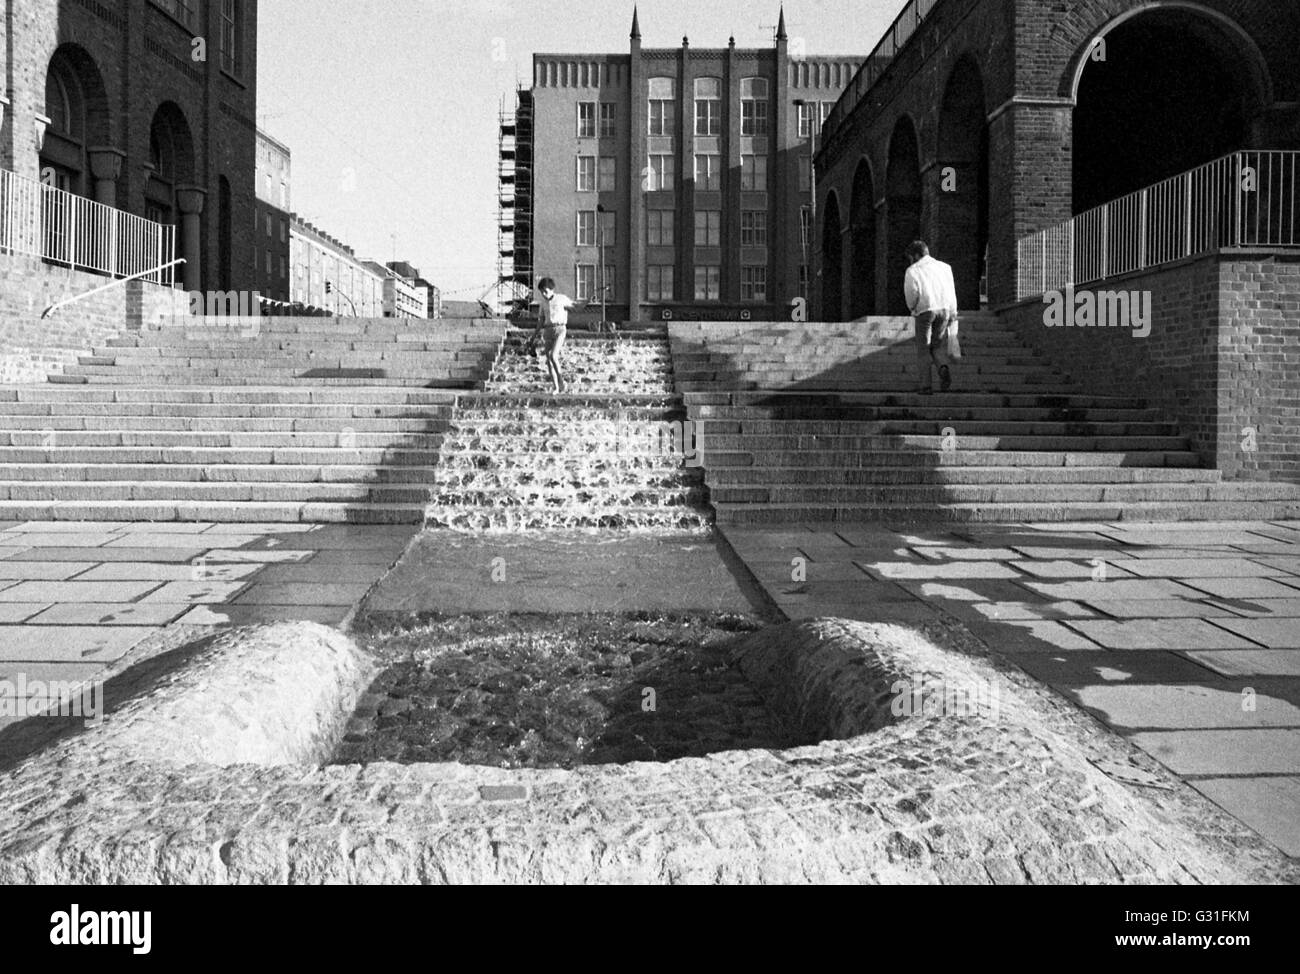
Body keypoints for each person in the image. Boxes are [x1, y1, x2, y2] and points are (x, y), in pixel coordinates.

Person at [903, 240, 959, 394]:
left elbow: (911, 293)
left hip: (925, 310)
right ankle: (943, 368)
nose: (910, 260)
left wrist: (912, 307)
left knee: (923, 348)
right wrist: (953, 313)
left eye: (910, 257)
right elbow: (951, 290)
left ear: (915, 255)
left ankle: (925, 385)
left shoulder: (912, 270)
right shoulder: (945, 267)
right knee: (937, 346)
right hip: (945, 309)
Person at [535, 277, 574, 394]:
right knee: (549, 360)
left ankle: (562, 380)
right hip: (548, 330)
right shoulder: (543, 303)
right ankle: (556, 387)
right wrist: (534, 335)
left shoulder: (562, 299)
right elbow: (541, 320)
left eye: (545, 291)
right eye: (542, 292)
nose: (543, 294)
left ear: (552, 289)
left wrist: (587, 302)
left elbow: (575, 307)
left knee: (553, 355)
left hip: (560, 329)